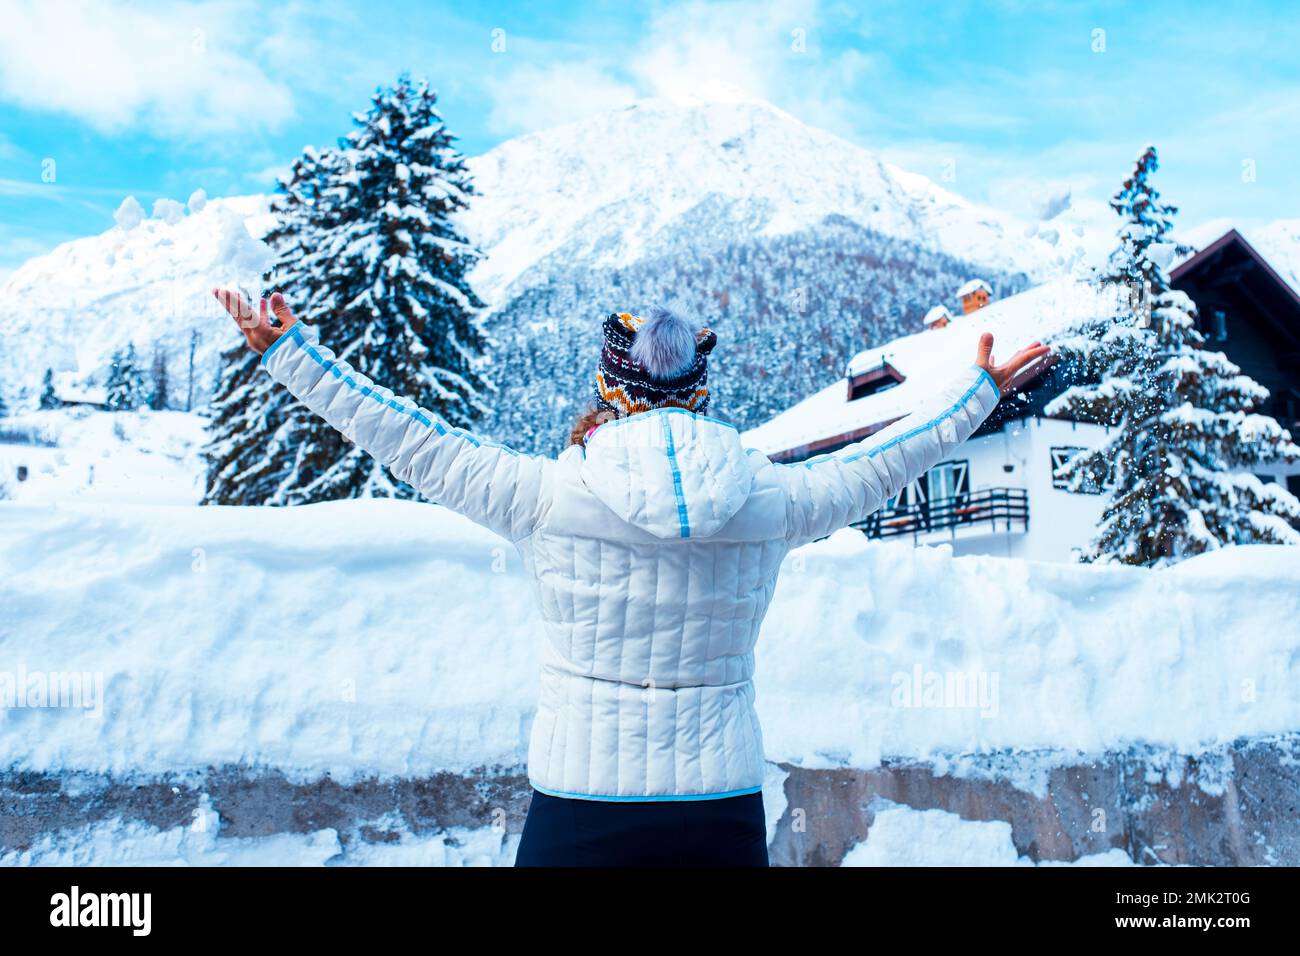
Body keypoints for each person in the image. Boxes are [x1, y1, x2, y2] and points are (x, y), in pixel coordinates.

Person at [214, 289, 1049, 867]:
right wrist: (975, 397)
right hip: (717, 810)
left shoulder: (547, 495)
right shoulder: (769, 496)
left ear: (609, 392)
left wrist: (292, 356)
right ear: (701, 392)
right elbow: (883, 459)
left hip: (580, 806)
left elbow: (413, 439)